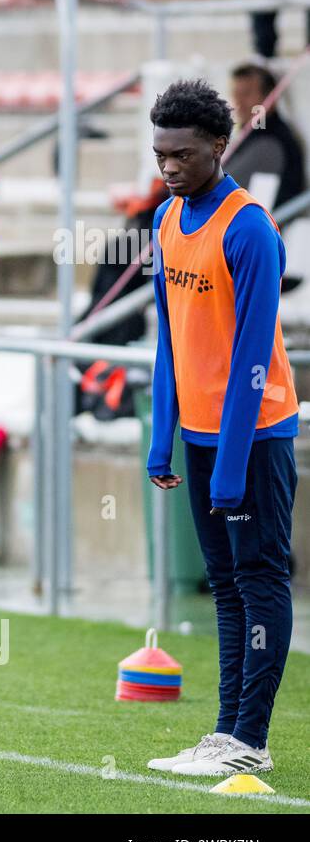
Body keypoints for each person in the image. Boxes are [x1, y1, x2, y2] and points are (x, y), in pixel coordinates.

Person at [144, 79, 299, 777]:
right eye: (159, 156)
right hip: (202, 437)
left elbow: (252, 361)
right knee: (225, 584)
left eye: (180, 156)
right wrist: (161, 437)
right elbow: (170, 342)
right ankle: (225, 731)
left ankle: (250, 739)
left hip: (254, 438)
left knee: (260, 578)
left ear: (218, 145)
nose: (169, 169)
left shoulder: (251, 229)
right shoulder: (166, 221)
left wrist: (234, 464)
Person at [226, 62, 306, 216]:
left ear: (271, 98)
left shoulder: (269, 143)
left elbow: (218, 188)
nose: (238, 103)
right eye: (235, 94)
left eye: (246, 94)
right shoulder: (254, 135)